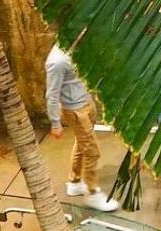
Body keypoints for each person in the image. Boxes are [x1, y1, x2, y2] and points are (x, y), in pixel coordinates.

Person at [45, 44, 120, 211]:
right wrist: (55, 123)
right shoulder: (57, 62)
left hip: (86, 103)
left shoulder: (74, 47)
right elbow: (51, 95)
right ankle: (92, 194)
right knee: (93, 152)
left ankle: (74, 181)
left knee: (82, 144)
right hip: (75, 111)